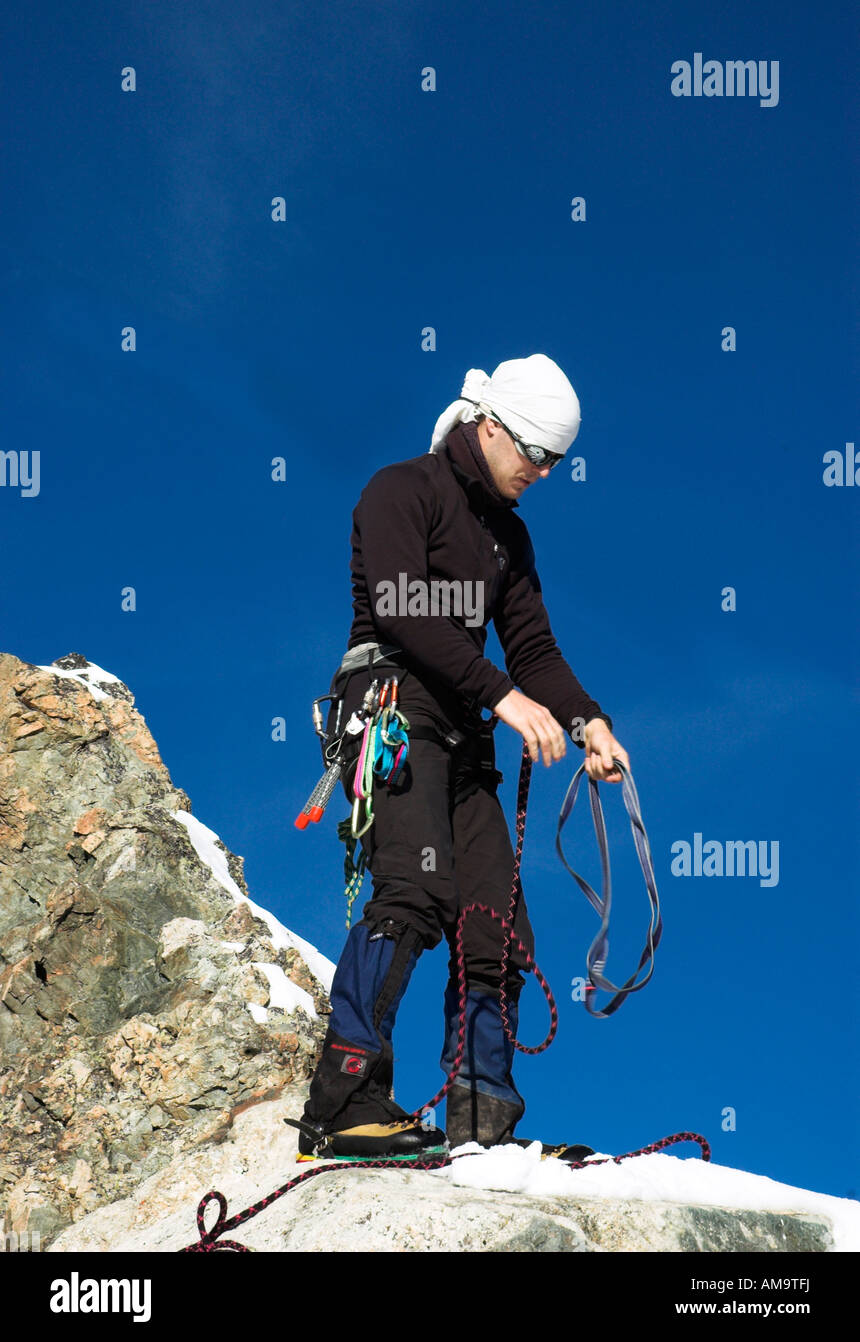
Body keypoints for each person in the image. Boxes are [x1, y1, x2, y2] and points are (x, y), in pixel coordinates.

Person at [292, 354, 630, 1163]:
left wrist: (586, 720)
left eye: (556, 461)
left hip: (465, 731)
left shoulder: (508, 539)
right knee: (412, 890)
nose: (543, 472)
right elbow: (403, 610)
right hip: (393, 708)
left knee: (497, 922)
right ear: (490, 426)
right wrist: (506, 697)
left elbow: (534, 647)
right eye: (536, 454)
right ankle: (342, 1107)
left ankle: (482, 1120)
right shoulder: (401, 489)